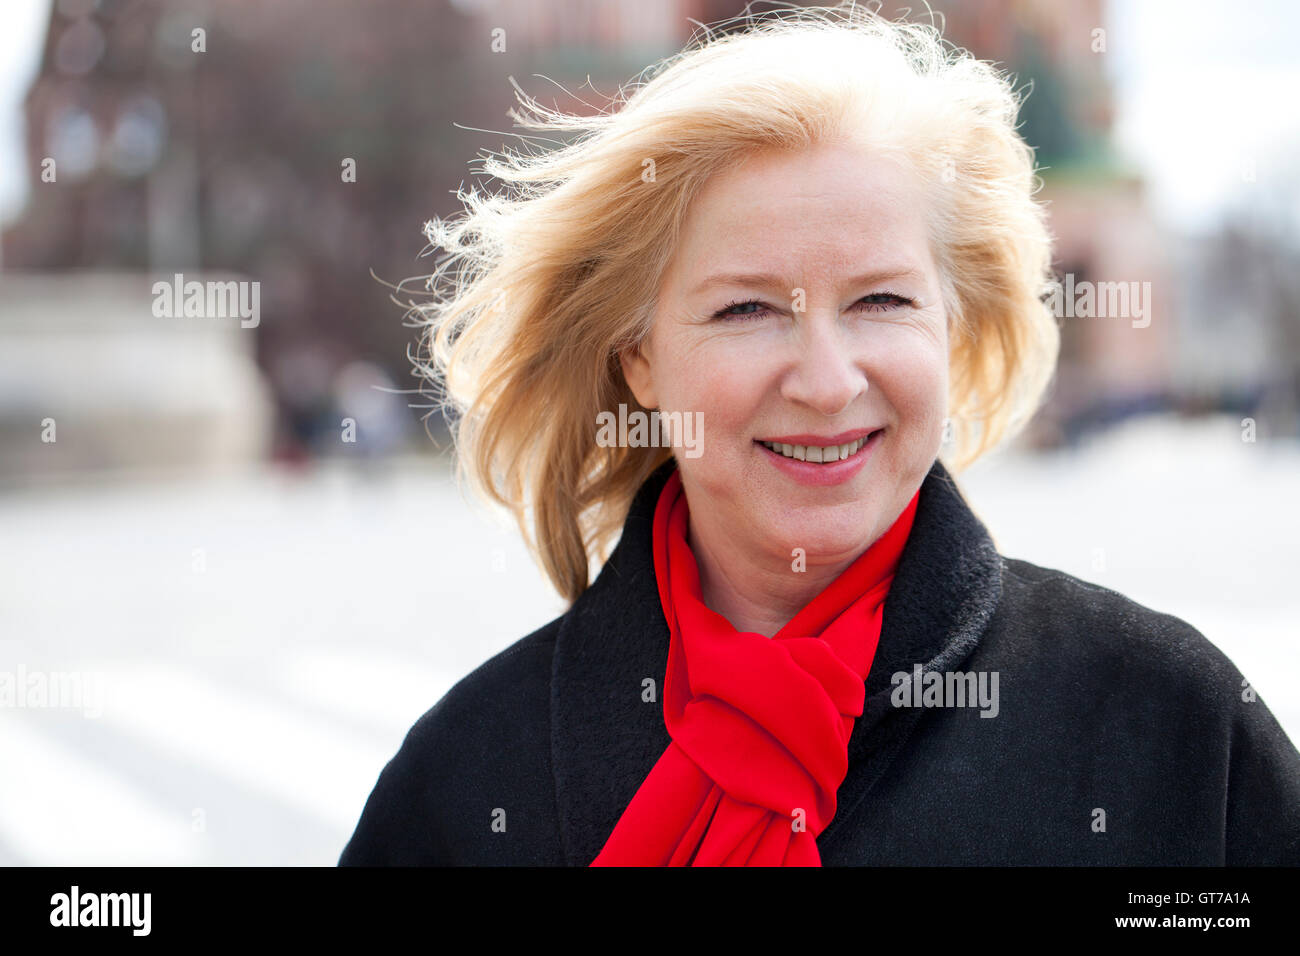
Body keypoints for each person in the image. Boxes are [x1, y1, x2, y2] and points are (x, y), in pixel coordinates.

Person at [339, 3, 1300, 866]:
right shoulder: (464, 786)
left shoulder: (1168, 731)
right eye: (748, 309)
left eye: (881, 299)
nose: (829, 381)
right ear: (638, 359)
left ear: (953, 326)